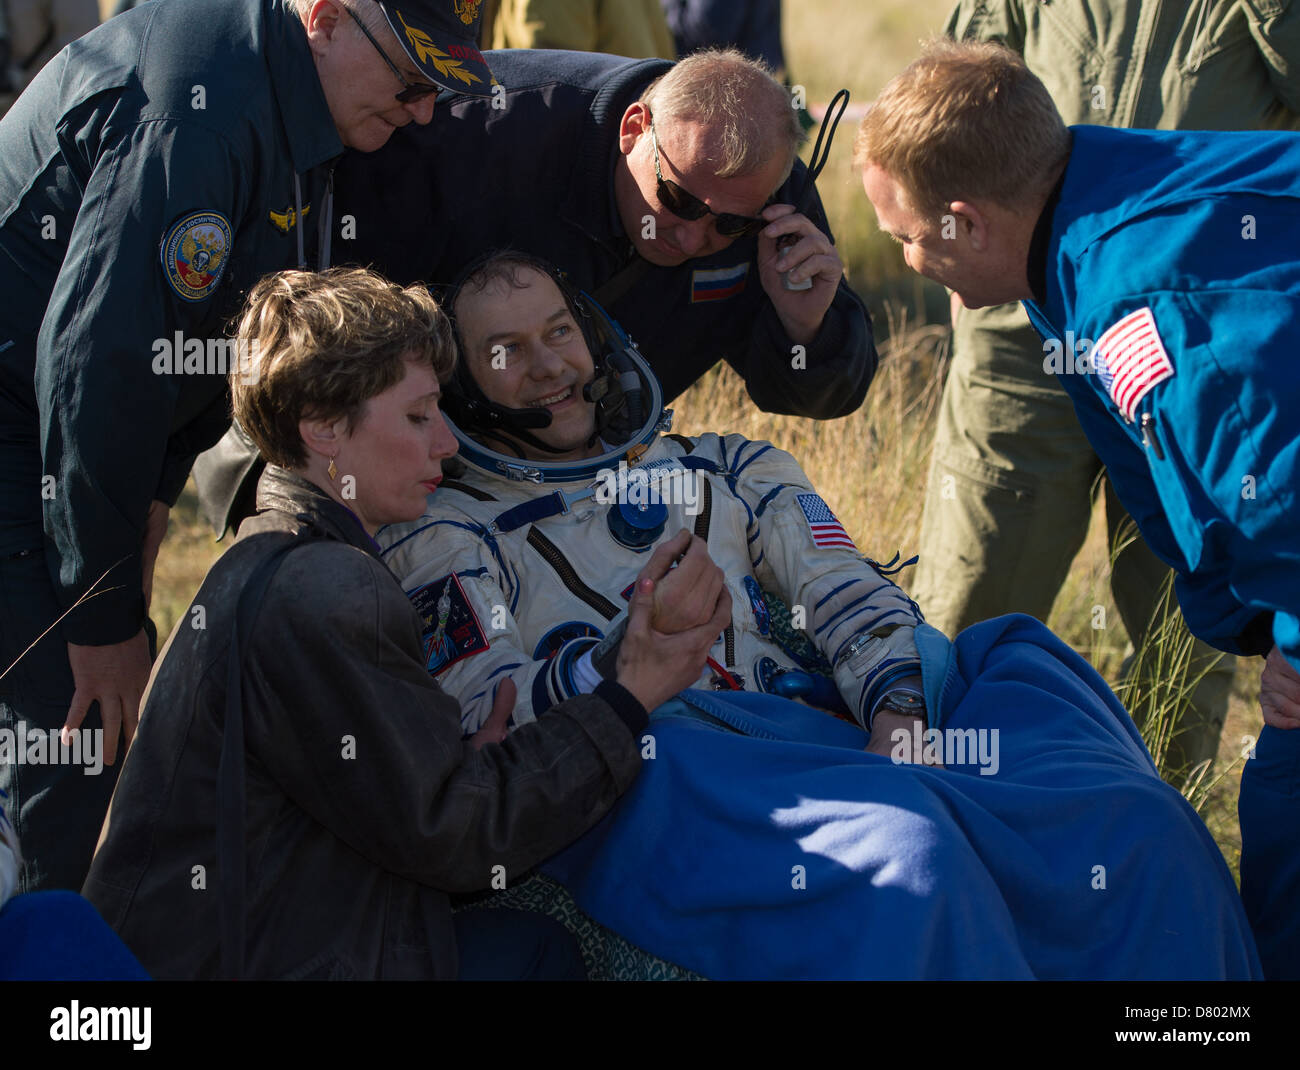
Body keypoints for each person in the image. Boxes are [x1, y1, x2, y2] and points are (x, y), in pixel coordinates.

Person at [374, 251, 1262, 979]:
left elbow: (847, 593)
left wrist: (898, 710)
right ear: (465, 389)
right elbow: (481, 716)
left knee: (1132, 819)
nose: (548, 367)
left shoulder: (730, 465)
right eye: (506, 352)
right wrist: (621, 663)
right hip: (668, 765)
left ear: (594, 335)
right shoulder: (448, 531)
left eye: (559, 332)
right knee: (909, 858)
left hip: (830, 732)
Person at [80, 266, 727, 980]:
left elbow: (403, 801)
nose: (446, 445)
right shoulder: (323, 588)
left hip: (252, 942)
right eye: (419, 417)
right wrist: (625, 698)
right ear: (324, 428)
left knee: (526, 944)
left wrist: (455, 763)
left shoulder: (276, 555)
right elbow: (460, 838)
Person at [0, 0, 492, 895]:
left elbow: (196, 349)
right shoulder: (200, 114)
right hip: (20, 418)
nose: (424, 109)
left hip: (61, 427)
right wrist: (100, 618)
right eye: (415, 76)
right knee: (72, 733)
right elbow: (98, 370)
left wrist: (147, 510)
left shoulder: (294, 90)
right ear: (328, 17)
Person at [854, 38, 1300, 978]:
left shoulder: (1139, 307)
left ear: (968, 223)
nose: (902, 257)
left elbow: (1277, 509)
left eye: (905, 235)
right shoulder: (1094, 189)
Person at [195, 45, 874, 533]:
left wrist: (808, 331)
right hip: (404, 478)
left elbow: (815, 393)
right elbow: (303, 321)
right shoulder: (475, 135)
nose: (694, 237)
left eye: (728, 225)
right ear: (636, 129)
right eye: (677, 201)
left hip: (588, 493)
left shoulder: (764, 188)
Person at [912, 0, 1300, 779]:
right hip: (1023, 330)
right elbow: (967, 75)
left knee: (1193, 619)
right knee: (965, 603)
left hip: (1201, 332)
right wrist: (952, 228)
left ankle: (1159, 849)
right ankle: (929, 833)